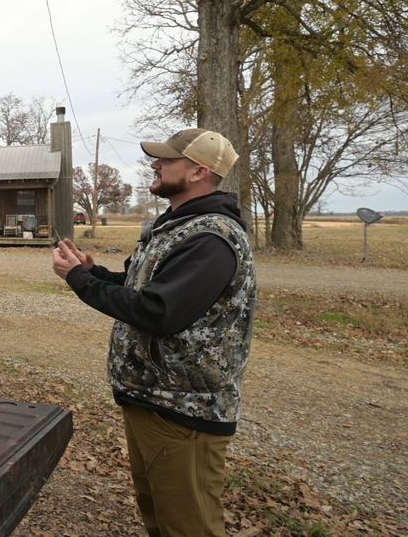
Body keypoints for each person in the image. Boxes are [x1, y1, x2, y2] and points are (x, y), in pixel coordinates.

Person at [51, 128, 257, 537]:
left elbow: (158, 311)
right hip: (151, 401)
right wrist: (92, 272)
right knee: (160, 519)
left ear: (199, 171)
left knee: (189, 527)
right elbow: (138, 288)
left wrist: (80, 281)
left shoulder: (211, 238)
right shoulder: (175, 227)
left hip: (185, 413)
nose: (155, 163)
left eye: (167, 159)